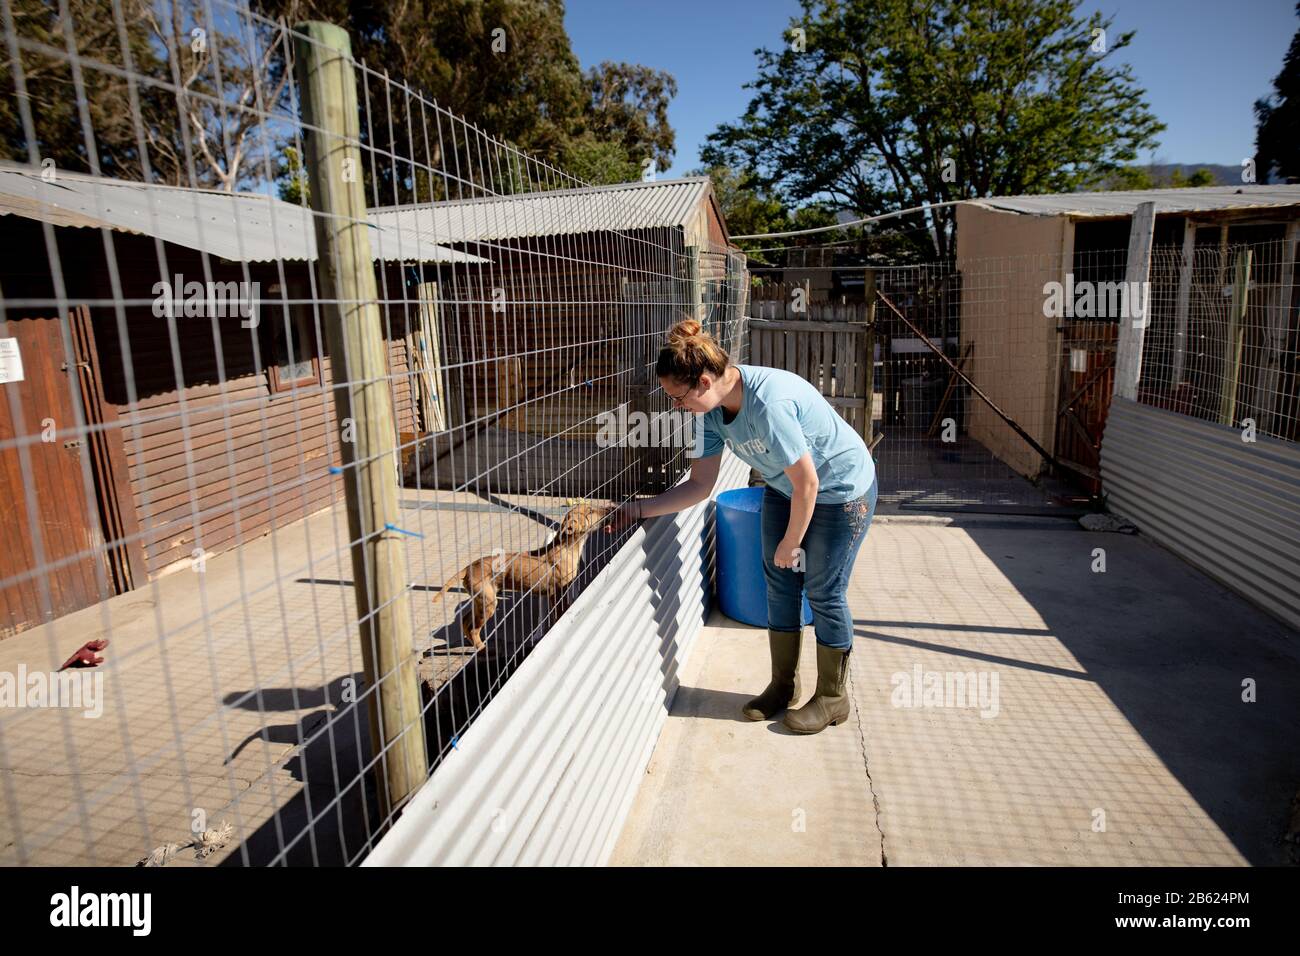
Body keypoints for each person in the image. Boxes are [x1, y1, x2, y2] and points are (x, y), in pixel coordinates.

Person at [602, 317, 878, 734]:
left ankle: (832, 698)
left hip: (841, 491)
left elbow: (810, 483)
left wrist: (791, 542)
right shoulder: (709, 414)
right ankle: (782, 686)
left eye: (678, 397)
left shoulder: (768, 404)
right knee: (779, 584)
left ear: (705, 381)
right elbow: (699, 485)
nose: (676, 407)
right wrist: (638, 509)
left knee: (823, 589)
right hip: (788, 490)